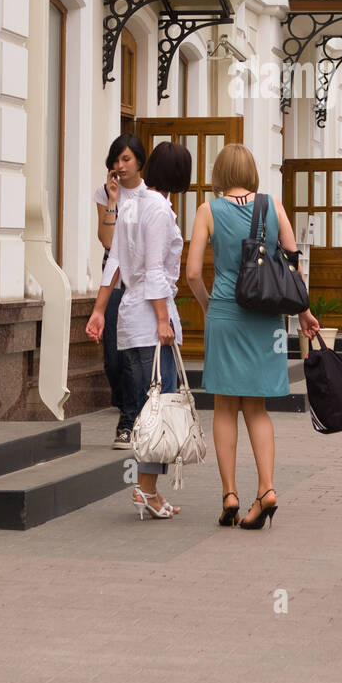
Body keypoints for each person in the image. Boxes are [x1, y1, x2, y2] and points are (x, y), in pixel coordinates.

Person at [186, 145, 319, 529]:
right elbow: (293, 266)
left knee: (225, 406)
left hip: (226, 312)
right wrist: (304, 313)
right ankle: (267, 489)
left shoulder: (208, 211)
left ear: (220, 172)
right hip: (266, 316)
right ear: (252, 171)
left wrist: (209, 306)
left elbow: (193, 272)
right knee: (256, 408)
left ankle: (229, 494)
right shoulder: (273, 206)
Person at [86, 142, 192, 519]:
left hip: (130, 317)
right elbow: (154, 271)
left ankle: (150, 490)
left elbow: (114, 259)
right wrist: (164, 320)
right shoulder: (158, 208)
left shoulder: (132, 205)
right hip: (149, 322)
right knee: (159, 407)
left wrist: (100, 310)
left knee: (149, 408)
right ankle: (145, 490)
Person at [93, 134, 147, 445]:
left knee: (131, 356)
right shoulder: (105, 193)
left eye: (126, 159)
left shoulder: (148, 196)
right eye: (116, 160)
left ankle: (128, 421)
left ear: (139, 161)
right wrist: (113, 200)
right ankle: (127, 406)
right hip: (113, 280)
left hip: (138, 282)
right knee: (112, 358)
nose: (120, 165)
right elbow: (107, 241)